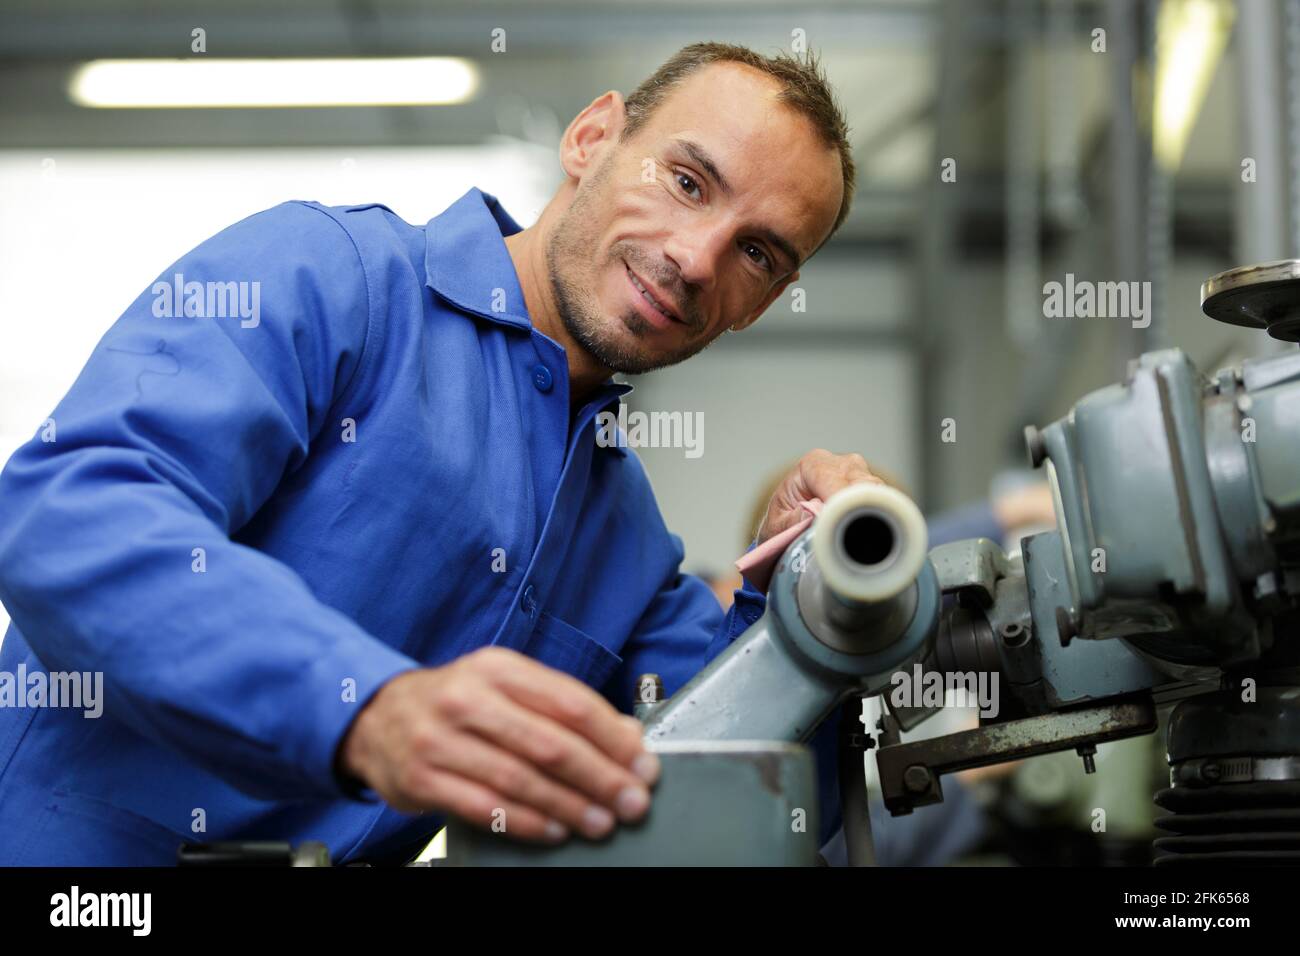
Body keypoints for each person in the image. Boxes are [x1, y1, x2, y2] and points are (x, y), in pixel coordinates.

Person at [0, 43, 885, 865]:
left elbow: (751, 786)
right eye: (688, 181)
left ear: (763, 305)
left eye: (758, 253)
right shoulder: (333, 280)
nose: (697, 259)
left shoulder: (624, 538)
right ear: (591, 138)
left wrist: (811, 609)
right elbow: (71, 511)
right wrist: (366, 711)